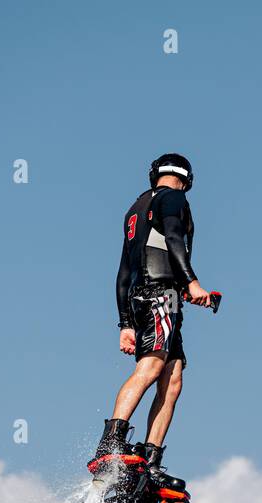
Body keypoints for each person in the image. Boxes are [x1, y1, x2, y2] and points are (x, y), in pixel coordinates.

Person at [88, 153, 213, 480]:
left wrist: (125, 324)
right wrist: (192, 282)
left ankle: (149, 461)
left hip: (151, 296)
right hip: (161, 295)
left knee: (172, 378)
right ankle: (110, 444)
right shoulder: (174, 198)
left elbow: (124, 271)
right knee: (153, 365)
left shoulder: (136, 208)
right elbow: (173, 238)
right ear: (186, 179)